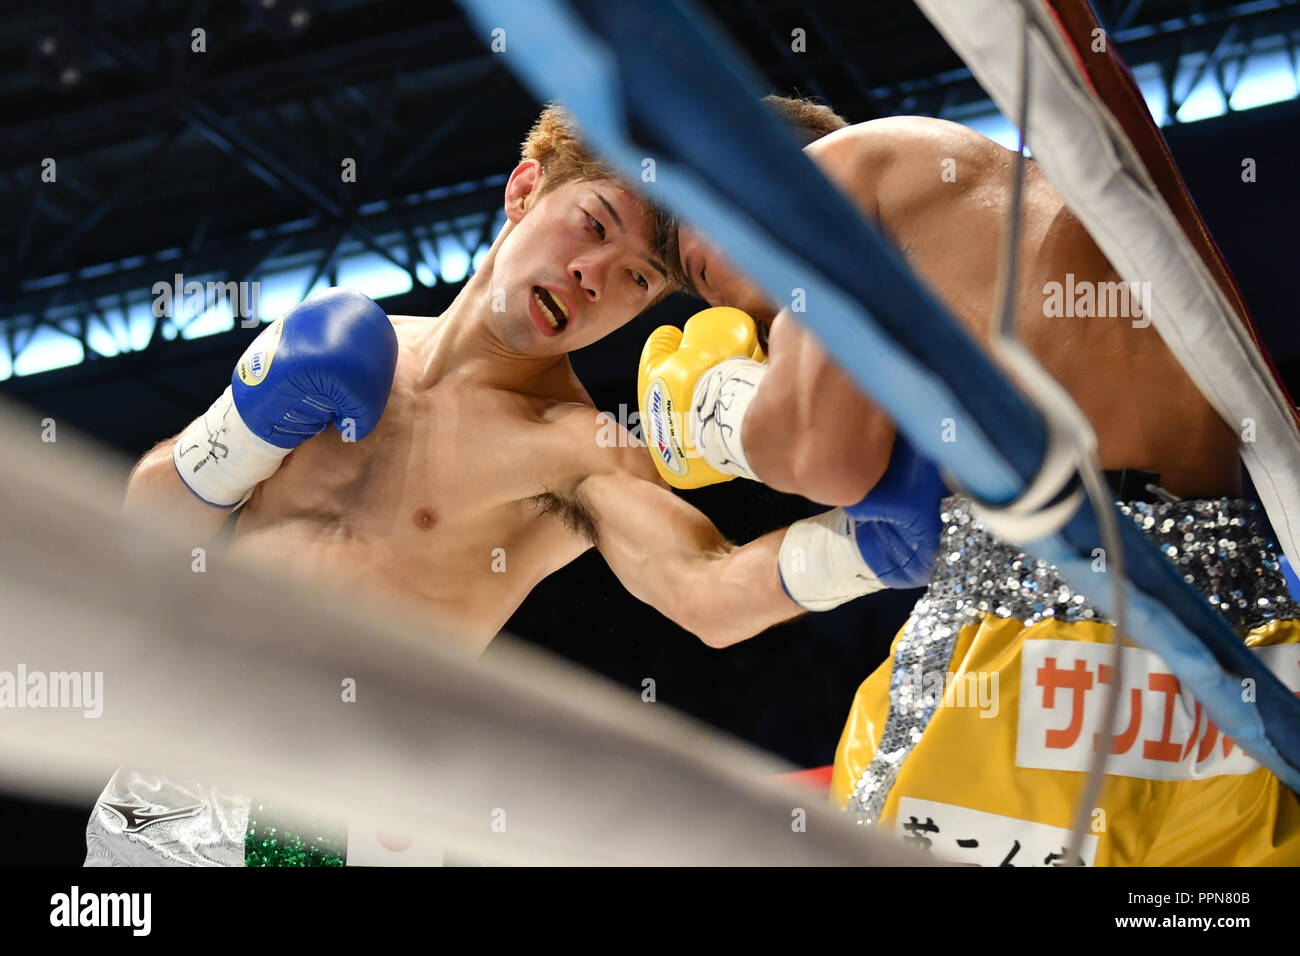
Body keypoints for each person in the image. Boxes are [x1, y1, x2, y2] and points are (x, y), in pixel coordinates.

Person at [643, 95, 1300, 864]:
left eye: (701, 270)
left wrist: (720, 408)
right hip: (1236, 643)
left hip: (1039, 622)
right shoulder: (995, 201)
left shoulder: (830, 172)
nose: (730, 311)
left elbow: (827, 456)